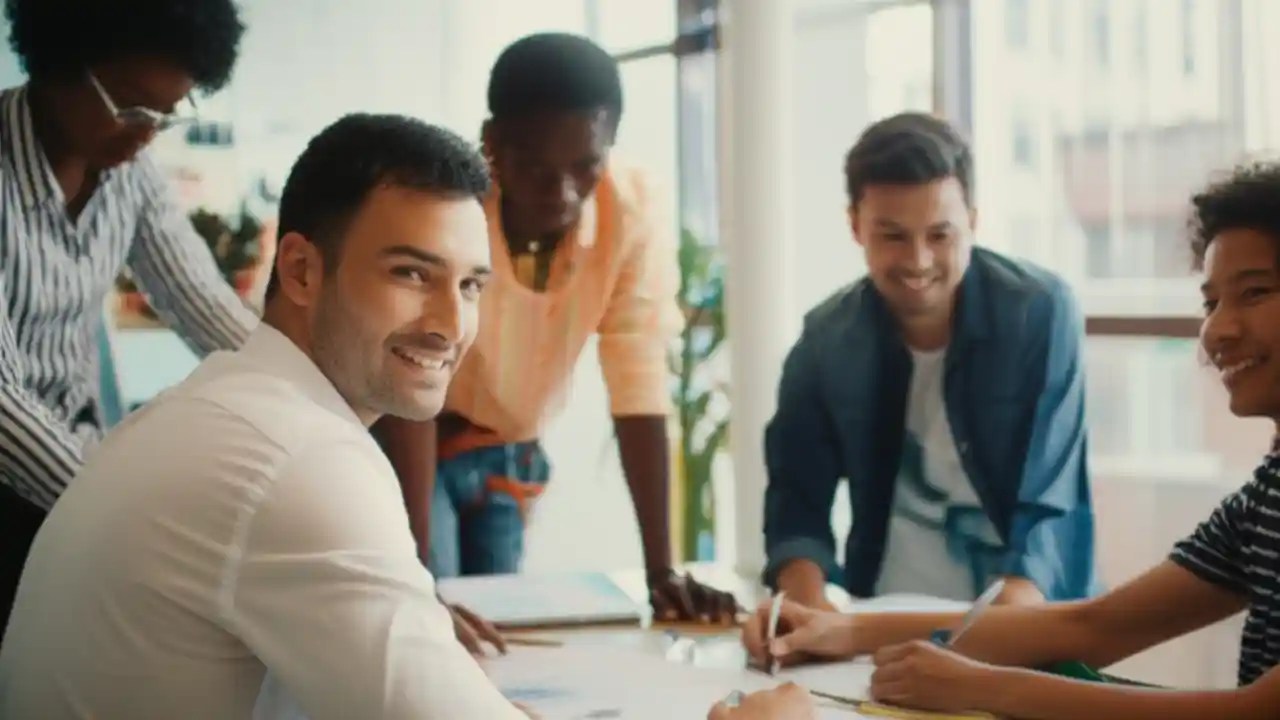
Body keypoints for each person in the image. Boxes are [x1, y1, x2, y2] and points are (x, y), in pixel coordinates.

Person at [0, 113, 535, 719]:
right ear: (302, 270)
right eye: (411, 273)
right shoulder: (297, 456)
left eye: (470, 286)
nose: (451, 325)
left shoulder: (221, 408)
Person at [736, 161, 1280, 719]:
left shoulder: (1036, 308)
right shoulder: (1266, 494)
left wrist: (980, 688)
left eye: (1254, 293)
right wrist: (843, 629)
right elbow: (1091, 627)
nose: (1218, 330)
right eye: (1211, 302)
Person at [374, 32, 737, 621]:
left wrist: (660, 571)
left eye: (586, 166)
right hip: (410, 434)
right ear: (492, 145)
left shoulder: (632, 211)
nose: (563, 192)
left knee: (497, 631)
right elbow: (412, 366)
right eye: (537, 168)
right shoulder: (445, 206)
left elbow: (638, 378)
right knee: (424, 619)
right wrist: (419, 575)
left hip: (507, 453)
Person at [0, 0, 260, 641]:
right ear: (61, 60)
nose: (147, 134)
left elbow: (205, 305)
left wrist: (307, 398)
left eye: (167, 116)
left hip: (78, 462)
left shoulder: (129, 173)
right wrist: (122, 506)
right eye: (133, 108)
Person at [763, 112, 1096, 609]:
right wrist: (808, 609)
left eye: (940, 235)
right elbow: (797, 505)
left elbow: (1049, 504)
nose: (918, 260)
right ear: (855, 226)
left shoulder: (1039, 313)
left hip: (1025, 612)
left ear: (973, 222)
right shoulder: (825, 338)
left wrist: (1005, 636)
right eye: (893, 236)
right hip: (883, 612)